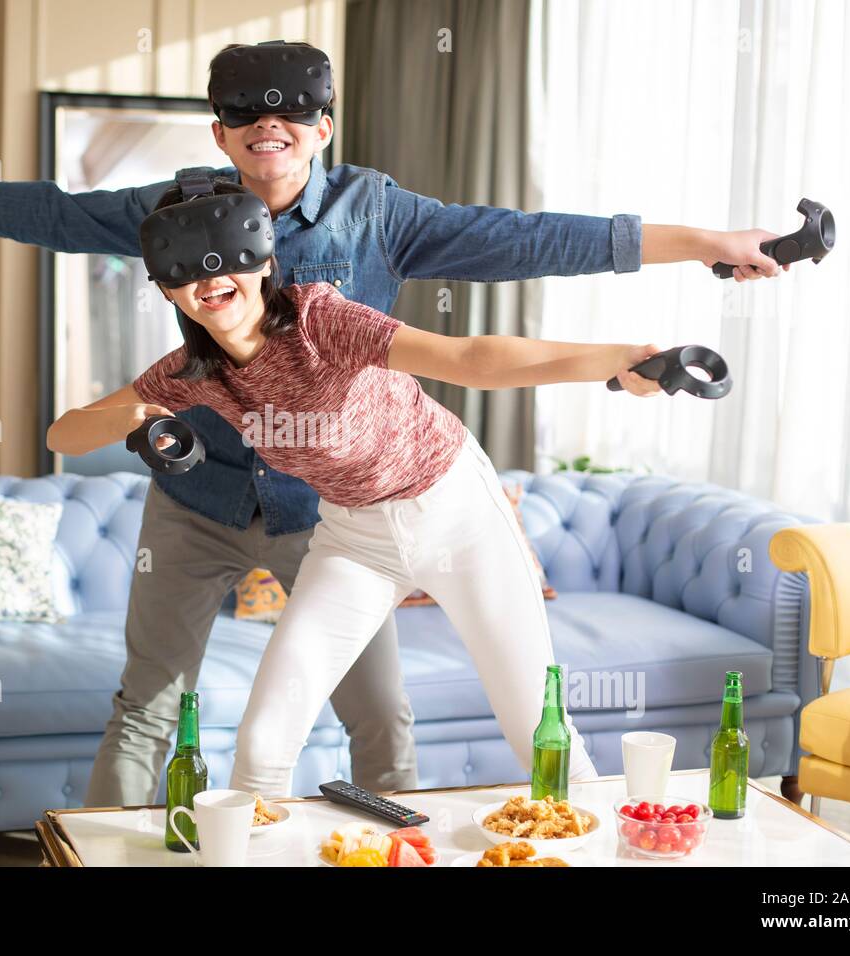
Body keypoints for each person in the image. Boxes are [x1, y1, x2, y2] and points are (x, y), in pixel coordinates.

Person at [0, 40, 786, 807]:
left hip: (341, 510)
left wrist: (702, 256)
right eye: (245, 113)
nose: (268, 127)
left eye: (290, 110)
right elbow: (45, 212)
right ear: (218, 133)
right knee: (168, 710)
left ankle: (396, 840)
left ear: (323, 125)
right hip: (200, 493)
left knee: (384, 717)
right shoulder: (175, 247)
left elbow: (520, 267)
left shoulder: (359, 251)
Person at [48, 177, 670, 795]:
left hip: (455, 513)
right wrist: (133, 417)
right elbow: (63, 436)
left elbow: (466, 358)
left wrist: (614, 359)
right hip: (355, 538)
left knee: (537, 731)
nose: (211, 279)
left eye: (228, 258)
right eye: (186, 268)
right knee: (263, 743)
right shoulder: (189, 375)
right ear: (165, 287)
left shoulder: (320, 319)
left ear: (264, 260)